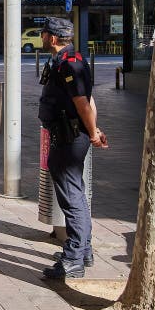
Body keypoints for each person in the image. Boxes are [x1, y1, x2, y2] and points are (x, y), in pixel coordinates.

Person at [38, 17, 108, 279]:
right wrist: (94, 129)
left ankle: (73, 259)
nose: (42, 38)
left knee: (72, 198)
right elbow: (89, 99)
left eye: (44, 34)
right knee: (75, 193)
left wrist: (92, 133)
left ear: (53, 38)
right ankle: (83, 250)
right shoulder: (65, 60)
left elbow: (82, 103)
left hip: (69, 138)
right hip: (69, 135)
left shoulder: (70, 63)